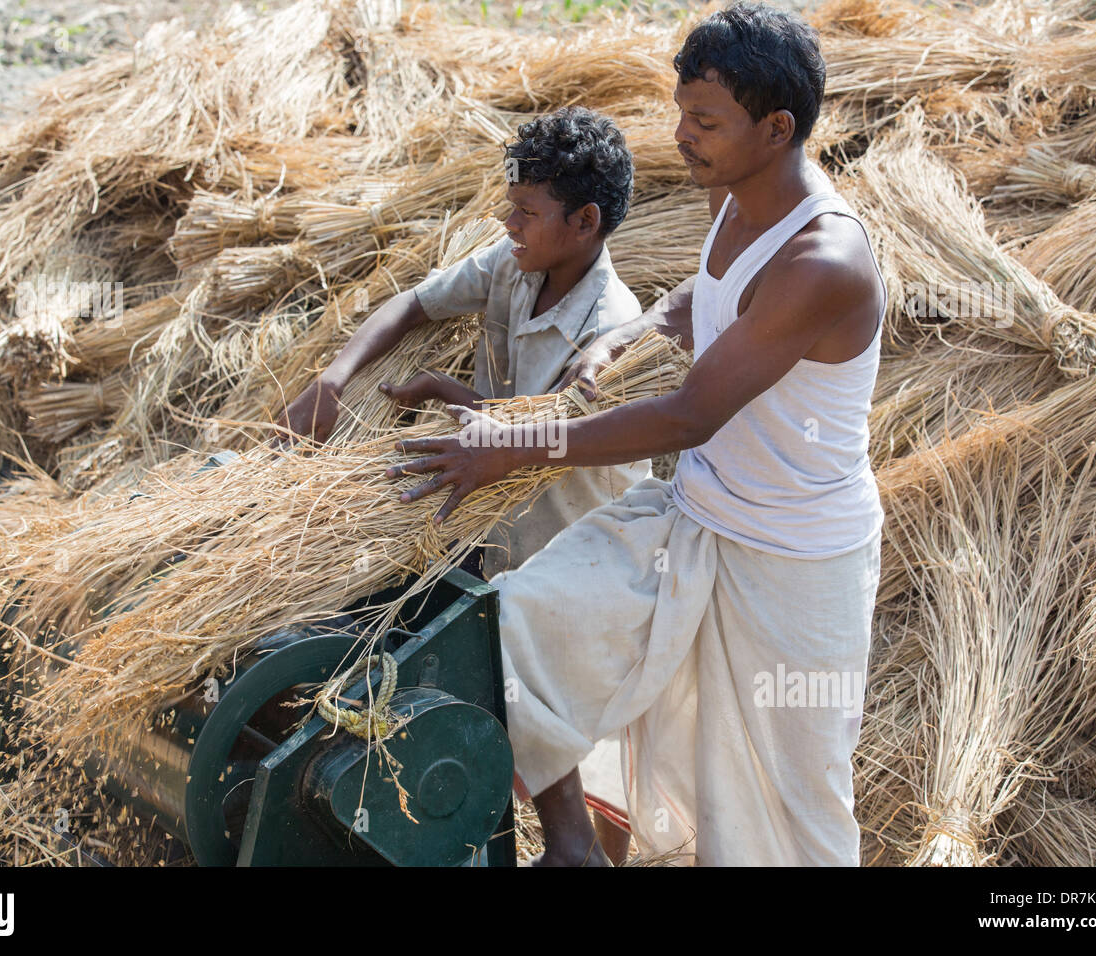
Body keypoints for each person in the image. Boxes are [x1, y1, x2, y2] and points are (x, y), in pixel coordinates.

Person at [387, 2, 887, 866]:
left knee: (789, 814)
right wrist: (637, 328)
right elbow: (704, 301)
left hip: (794, 563)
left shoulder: (823, 262)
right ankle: (579, 848)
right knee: (516, 636)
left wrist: (514, 442)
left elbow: (690, 413)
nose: (682, 136)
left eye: (705, 121)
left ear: (776, 129)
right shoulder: (735, 202)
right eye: (681, 112)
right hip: (694, 518)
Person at [279, 106, 649, 580]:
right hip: (490, 515)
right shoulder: (514, 260)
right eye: (512, 205)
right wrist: (333, 380)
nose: (510, 223)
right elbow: (413, 305)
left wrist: (440, 388)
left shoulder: (609, 331)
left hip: (569, 542)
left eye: (528, 211)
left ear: (584, 221)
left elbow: (529, 443)